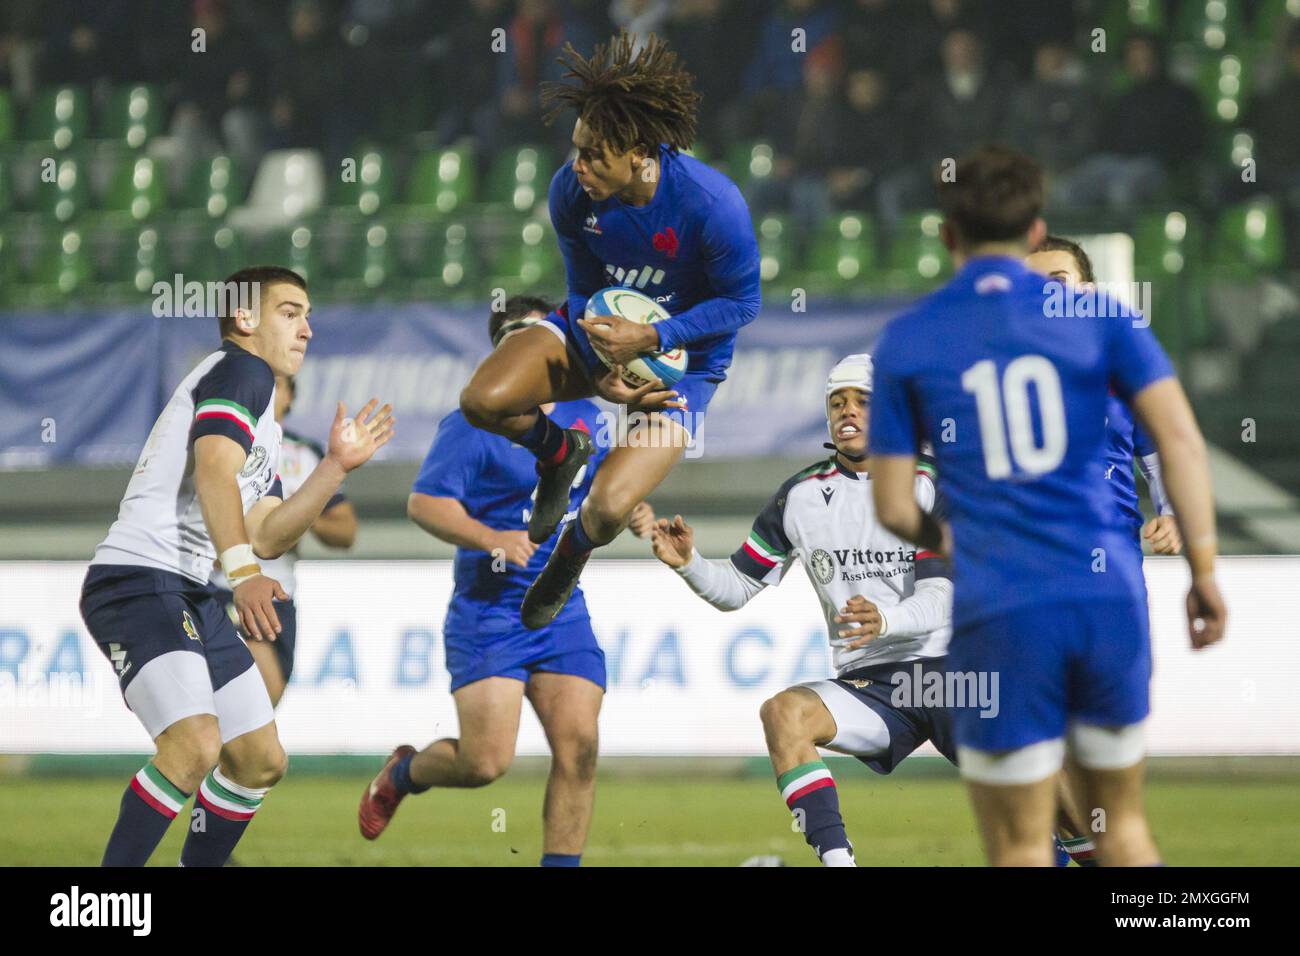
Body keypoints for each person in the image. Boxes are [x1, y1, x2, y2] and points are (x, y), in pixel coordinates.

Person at [868, 146, 1226, 866]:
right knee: (1120, 829)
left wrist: (952, 537)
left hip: (1001, 610)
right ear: (1035, 231)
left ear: (946, 234)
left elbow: (893, 505)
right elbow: (1182, 441)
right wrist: (1205, 569)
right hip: (1107, 600)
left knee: (1022, 843)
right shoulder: (1105, 320)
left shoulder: (910, 339)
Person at [80, 265, 392, 867]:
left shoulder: (266, 423)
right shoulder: (242, 369)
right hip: (138, 579)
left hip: (188, 589)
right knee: (194, 746)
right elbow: (214, 472)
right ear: (246, 318)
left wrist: (334, 468)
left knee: (258, 758)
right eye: (291, 312)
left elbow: (268, 532)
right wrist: (244, 577)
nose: (307, 328)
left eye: (308, 315)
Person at [458, 30, 760, 631]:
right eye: (576, 149)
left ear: (639, 154)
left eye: (594, 155)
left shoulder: (711, 204)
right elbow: (580, 285)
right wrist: (599, 370)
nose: (579, 166)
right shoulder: (571, 192)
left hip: (681, 365)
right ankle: (558, 451)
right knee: (481, 402)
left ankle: (570, 556)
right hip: (592, 334)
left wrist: (651, 340)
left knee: (610, 506)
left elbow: (742, 304)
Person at [359, 295, 654, 867]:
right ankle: (403, 772)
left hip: (560, 603)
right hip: (490, 609)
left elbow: (601, 488)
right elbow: (425, 503)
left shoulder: (587, 415)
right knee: (484, 764)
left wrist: (634, 509)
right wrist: (492, 540)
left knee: (580, 747)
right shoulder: (472, 424)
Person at [651, 354, 954, 867]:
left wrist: (886, 620)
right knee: (785, 713)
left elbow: (944, 597)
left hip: (954, 671)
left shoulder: (930, 483)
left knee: (1059, 809)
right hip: (873, 684)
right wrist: (690, 564)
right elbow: (737, 588)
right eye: (837, 402)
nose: (847, 412)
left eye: (862, 401)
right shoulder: (799, 496)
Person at [210, 372, 358, 706]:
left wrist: (298, 513)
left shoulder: (304, 454)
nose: (263, 390)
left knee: (259, 716)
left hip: (277, 592)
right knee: (249, 708)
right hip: (218, 588)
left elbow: (346, 531)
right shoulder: (218, 443)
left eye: (276, 385)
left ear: (290, 397)